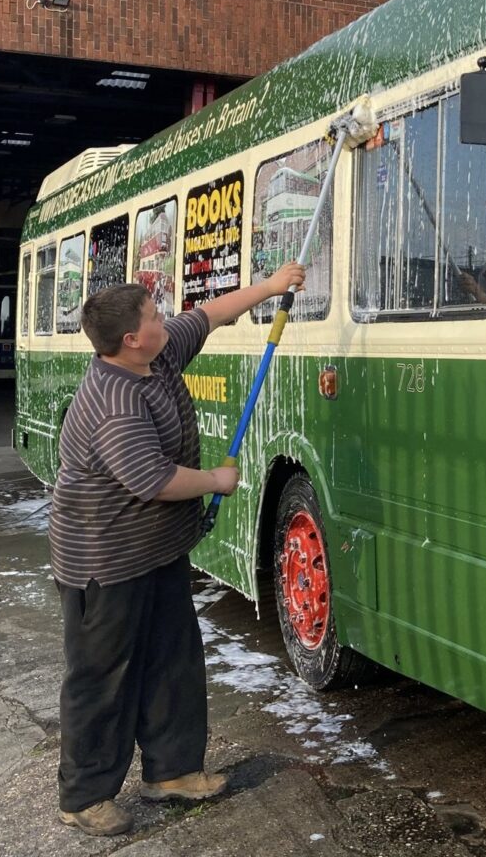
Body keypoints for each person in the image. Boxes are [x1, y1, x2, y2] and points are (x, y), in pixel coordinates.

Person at [50, 261, 305, 837]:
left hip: (157, 550)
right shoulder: (114, 399)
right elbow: (154, 480)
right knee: (104, 679)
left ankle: (172, 772)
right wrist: (216, 481)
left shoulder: (156, 355)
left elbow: (208, 315)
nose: (163, 318)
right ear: (130, 339)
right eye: (153, 316)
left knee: (172, 659)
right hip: (104, 563)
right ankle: (85, 796)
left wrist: (270, 287)